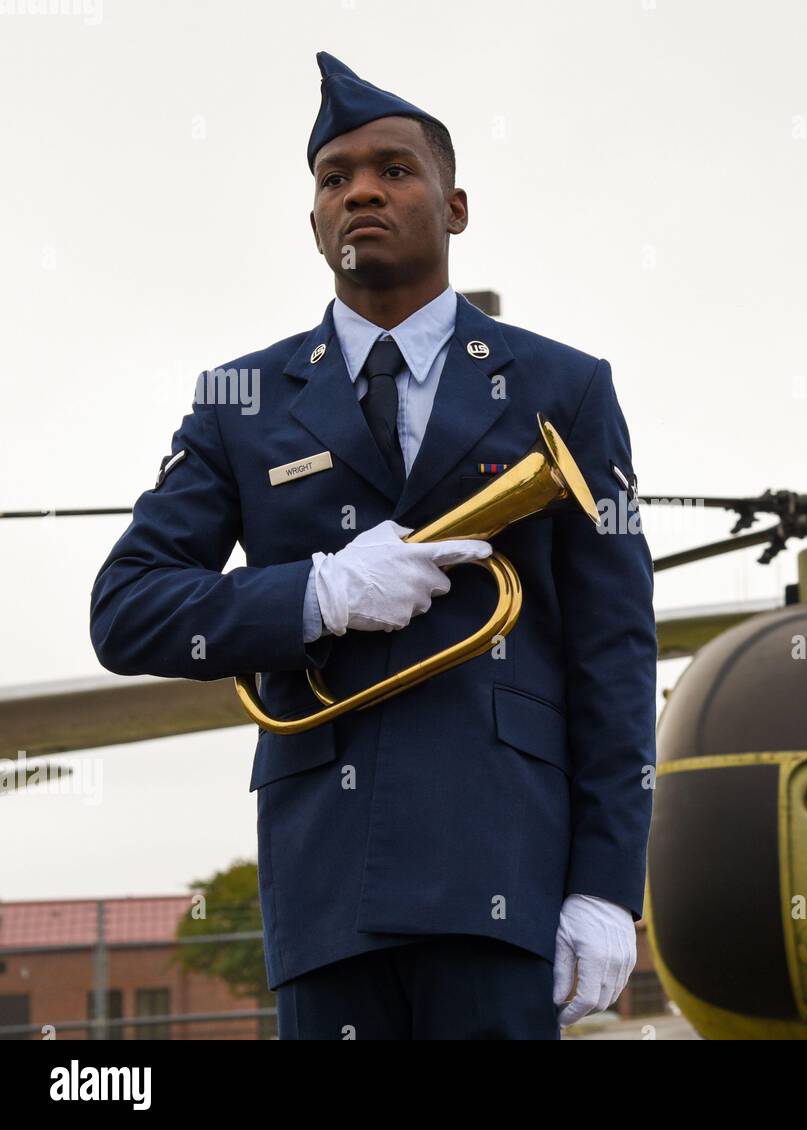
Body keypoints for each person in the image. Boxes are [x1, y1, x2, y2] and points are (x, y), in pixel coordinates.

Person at [89, 51, 657, 1040]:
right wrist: (319, 594)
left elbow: (614, 651)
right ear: (313, 221)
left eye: (394, 169)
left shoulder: (566, 386)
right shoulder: (241, 400)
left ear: (456, 205)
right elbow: (127, 607)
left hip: (506, 872)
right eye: (333, 177)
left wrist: (609, 885)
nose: (360, 190)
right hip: (328, 881)